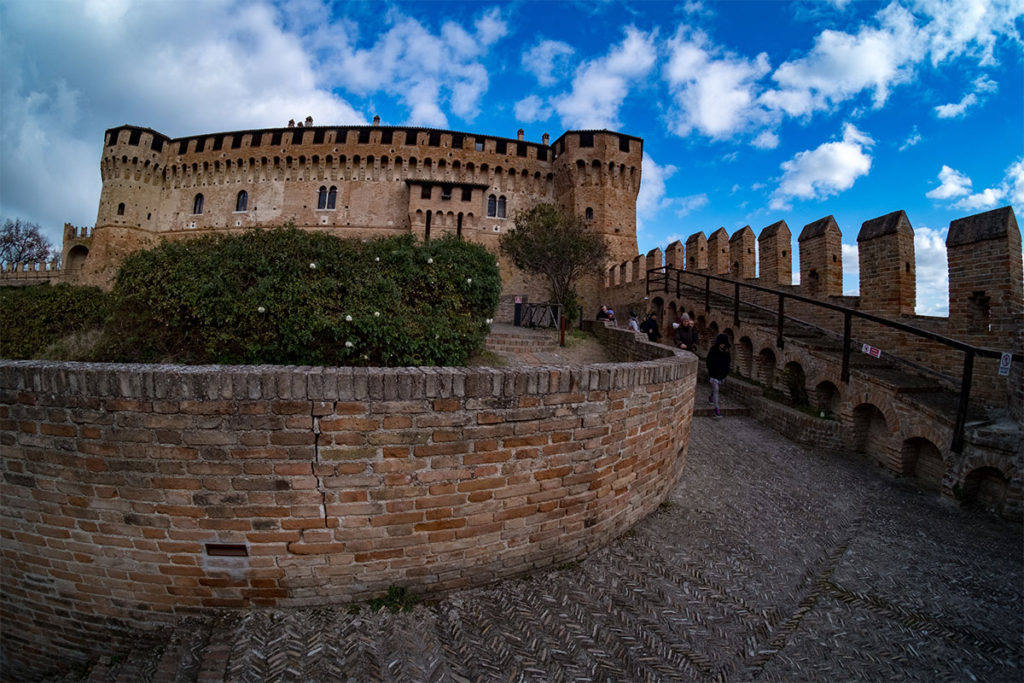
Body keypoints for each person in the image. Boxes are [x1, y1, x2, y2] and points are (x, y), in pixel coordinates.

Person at [706, 333, 731, 418]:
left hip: (722, 374)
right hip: (713, 374)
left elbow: (728, 363)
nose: (722, 344)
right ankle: (717, 409)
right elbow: (708, 361)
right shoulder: (713, 349)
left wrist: (726, 372)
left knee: (716, 389)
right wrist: (710, 371)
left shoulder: (727, 352)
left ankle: (711, 396)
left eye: (724, 343)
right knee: (716, 389)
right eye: (721, 343)